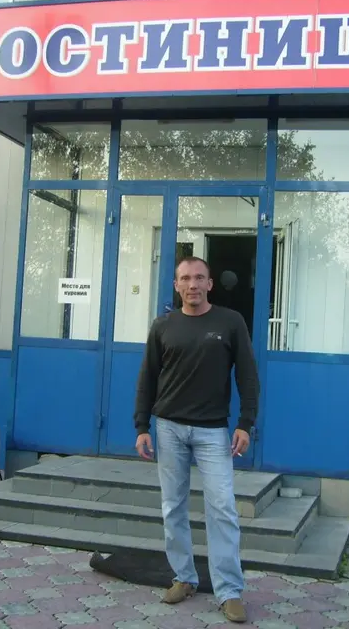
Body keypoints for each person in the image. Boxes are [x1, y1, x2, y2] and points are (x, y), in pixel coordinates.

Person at [134, 256, 260, 624]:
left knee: (222, 508)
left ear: (210, 284)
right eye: (186, 278)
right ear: (176, 285)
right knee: (173, 507)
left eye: (199, 278)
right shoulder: (163, 326)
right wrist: (142, 426)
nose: (193, 284)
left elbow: (248, 376)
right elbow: (147, 377)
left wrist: (245, 423)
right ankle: (184, 578)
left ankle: (229, 591)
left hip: (212, 432)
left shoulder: (230, 322)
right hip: (168, 428)